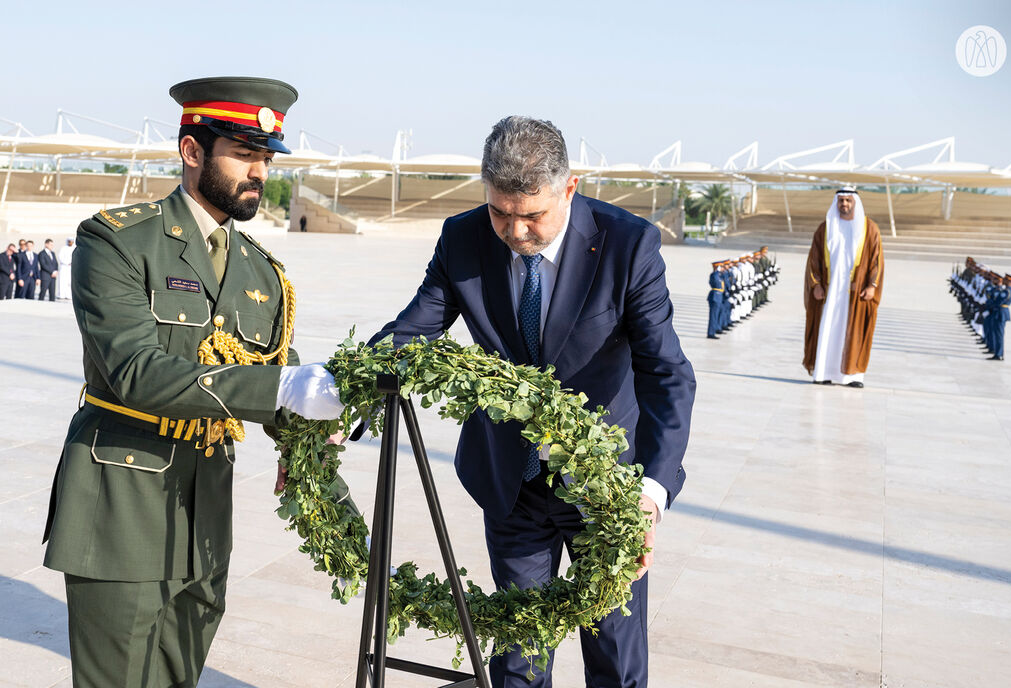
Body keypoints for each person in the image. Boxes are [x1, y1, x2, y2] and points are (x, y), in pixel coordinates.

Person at [369, 116, 696, 686]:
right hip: (512, 483)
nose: (516, 232)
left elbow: (667, 374)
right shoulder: (464, 238)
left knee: (615, 660)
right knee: (518, 660)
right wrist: (341, 392)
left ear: (569, 188)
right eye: (500, 212)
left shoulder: (627, 245)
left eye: (532, 215)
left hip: (605, 489)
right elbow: (413, 331)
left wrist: (650, 491)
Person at [41, 76, 345, 688]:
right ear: (191, 152)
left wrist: (323, 425)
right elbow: (136, 371)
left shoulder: (260, 269)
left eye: (265, 158)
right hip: (123, 497)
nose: (259, 172)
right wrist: (280, 391)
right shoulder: (118, 240)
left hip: (206, 510)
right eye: (244, 155)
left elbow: (277, 368)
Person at [802, 187, 884, 388]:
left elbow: (876, 260)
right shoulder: (825, 228)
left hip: (855, 294)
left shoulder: (869, 228)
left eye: (848, 200)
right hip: (830, 293)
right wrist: (816, 285)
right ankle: (823, 373)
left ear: (855, 202)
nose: (844, 204)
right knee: (827, 329)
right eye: (841, 201)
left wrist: (872, 285)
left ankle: (852, 377)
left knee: (853, 332)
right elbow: (814, 259)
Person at [985, 273, 1011, 361]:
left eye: (1005, 279)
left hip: (1000, 313)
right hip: (999, 312)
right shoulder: (1006, 290)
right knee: (997, 333)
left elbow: (997, 302)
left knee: (999, 335)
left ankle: (999, 354)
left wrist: (988, 306)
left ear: (1009, 281)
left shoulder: (1006, 291)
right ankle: (997, 353)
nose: (1003, 281)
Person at [707, 260, 724, 339]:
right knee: (713, 315)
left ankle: (714, 330)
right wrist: (717, 271)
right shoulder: (714, 275)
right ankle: (711, 333)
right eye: (721, 267)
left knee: (716, 315)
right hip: (715, 296)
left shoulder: (719, 275)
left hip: (719, 296)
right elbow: (715, 282)